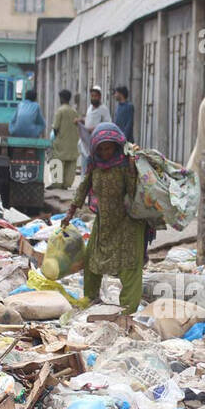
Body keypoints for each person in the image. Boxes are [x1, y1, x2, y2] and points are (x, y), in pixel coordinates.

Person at [65, 122, 148, 318]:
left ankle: (127, 310)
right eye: (101, 148)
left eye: (109, 147)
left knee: (129, 266)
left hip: (128, 222)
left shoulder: (124, 164)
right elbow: (83, 187)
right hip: (104, 222)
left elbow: (133, 191)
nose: (105, 152)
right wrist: (70, 213)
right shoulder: (94, 165)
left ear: (117, 146)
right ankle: (90, 297)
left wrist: (130, 169)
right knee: (92, 260)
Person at [49, 89, 81, 190]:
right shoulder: (74, 112)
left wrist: (53, 138)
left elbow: (55, 127)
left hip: (61, 142)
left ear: (61, 98)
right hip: (72, 143)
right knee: (70, 164)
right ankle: (66, 184)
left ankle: (56, 184)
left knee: (57, 161)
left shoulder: (60, 111)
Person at [78, 86, 112, 173]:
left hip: (97, 142)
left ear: (100, 96)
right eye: (92, 96)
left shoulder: (103, 109)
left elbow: (108, 124)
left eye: (95, 96)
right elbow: (89, 119)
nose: (93, 98)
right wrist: (81, 120)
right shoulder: (90, 108)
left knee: (93, 165)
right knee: (84, 165)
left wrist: (93, 129)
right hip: (86, 141)